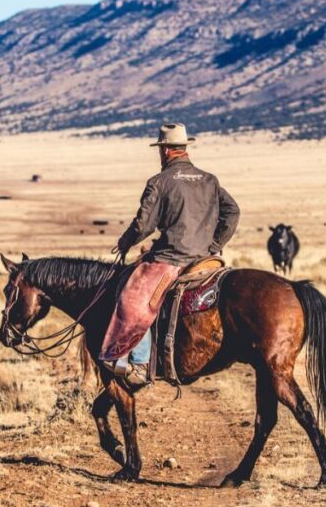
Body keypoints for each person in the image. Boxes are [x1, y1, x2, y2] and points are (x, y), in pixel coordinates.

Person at [101, 123, 240, 386]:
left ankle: (140, 363)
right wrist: (214, 245)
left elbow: (144, 225)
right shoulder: (209, 180)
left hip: (172, 258)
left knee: (135, 296)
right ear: (184, 148)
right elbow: (233, 212)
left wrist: (125, 242)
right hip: (205, 259)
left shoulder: (159, 182)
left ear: (164, 151)